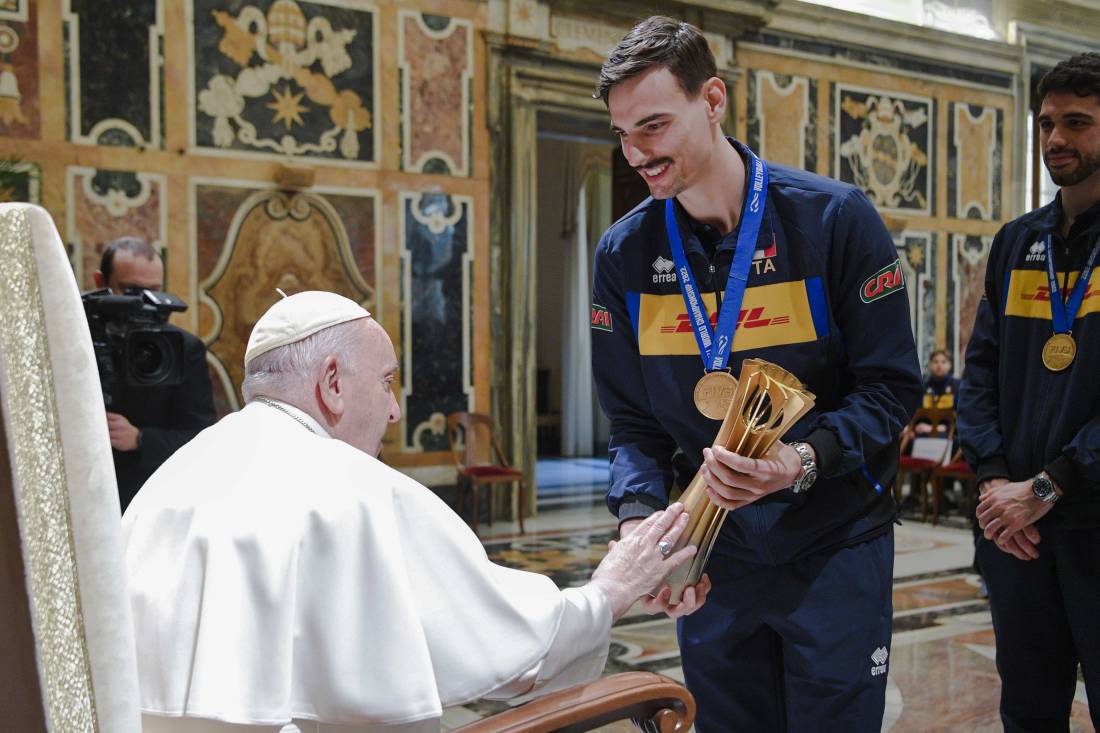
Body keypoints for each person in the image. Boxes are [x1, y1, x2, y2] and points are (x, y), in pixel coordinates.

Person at [123, 291, 703, 733]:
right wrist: (610, 590)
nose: (395, 411)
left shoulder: (171, 476)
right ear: (332, 383)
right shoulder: (351, 486)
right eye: (386, 382)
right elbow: (517, 654)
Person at [590, 16, 922, 732]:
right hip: (717, 556)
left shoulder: (834, 220)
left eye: (653, 126)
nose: (636, 154)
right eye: (622, 134)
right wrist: (645, 532)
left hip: (835, 543)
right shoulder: (623, 254)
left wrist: (799, 461)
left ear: (712, 100)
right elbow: (634, 424)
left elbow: (891, 388)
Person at [958, 52, 1100, 731]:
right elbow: (979, 372)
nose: (1055, 139)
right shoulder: (1017, 243)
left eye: (1077, 123)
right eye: (1046, 123)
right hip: (1018, 533)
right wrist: (995, 485)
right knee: (1029, 710)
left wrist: (1048, 485)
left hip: (1090, 519)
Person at [92, 236, 216, 510]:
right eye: (131, 291)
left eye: (154, 292)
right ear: (101, 282)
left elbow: (202, 438)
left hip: (147, 499)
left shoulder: (182, 348)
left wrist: (140, 438)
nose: (144, 304)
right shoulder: (76, 340)